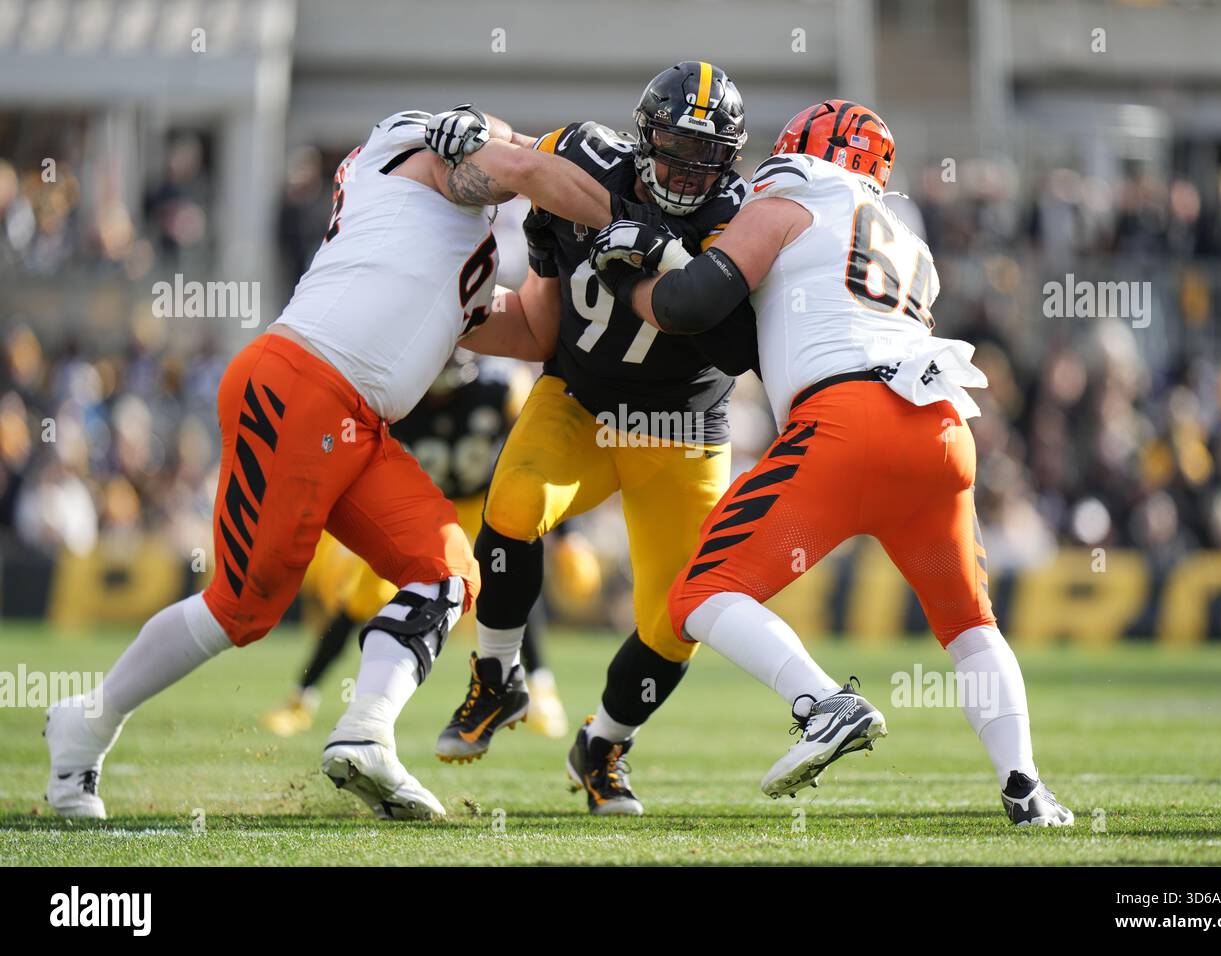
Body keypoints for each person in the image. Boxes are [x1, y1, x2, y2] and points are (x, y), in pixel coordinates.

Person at [44, 105, 636, 821]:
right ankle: (88, 721)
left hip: (358, 424)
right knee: (243, 607)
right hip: (300, 384)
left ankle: (366, 734)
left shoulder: (460, 240)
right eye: (503, 131)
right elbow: (520, 166)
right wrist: (635, 217)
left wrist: (553, 251)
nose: (513, 143)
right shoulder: (417, 149)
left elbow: (538, 329)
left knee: (448, 571)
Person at [590, 100, 1074, 826]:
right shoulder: (907, 239)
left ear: (800, 148)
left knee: (698, 596)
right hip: (942, 430)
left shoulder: (795, 186)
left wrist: (632, 276)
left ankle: (824, 705)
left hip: (849, 423)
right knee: (972, 626)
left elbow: (695, 302)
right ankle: (1027, 787)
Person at [432, 63, 761, 816]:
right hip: (580, 399)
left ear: (729, 162)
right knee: (511, 504)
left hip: (681, 427)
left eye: (704, 158)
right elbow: (514, 168)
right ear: (642, 137)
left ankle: (604, 745)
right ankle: (497, 676)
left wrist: (664, 252)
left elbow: (741, 344)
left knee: (677, 618)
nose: (685, 171)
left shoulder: (744, 215)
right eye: (672, 149)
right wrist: (459, 137)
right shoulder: (583, 156)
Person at [259, 353, 570, 740]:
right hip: (427, 506)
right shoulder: (395, 398)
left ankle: (541, 689)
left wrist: (565, 533)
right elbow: (347, 457)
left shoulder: (501, 388)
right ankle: (299, 699)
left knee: (510, 578)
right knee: (361, 597)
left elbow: (538, 454)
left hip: (482, 503)